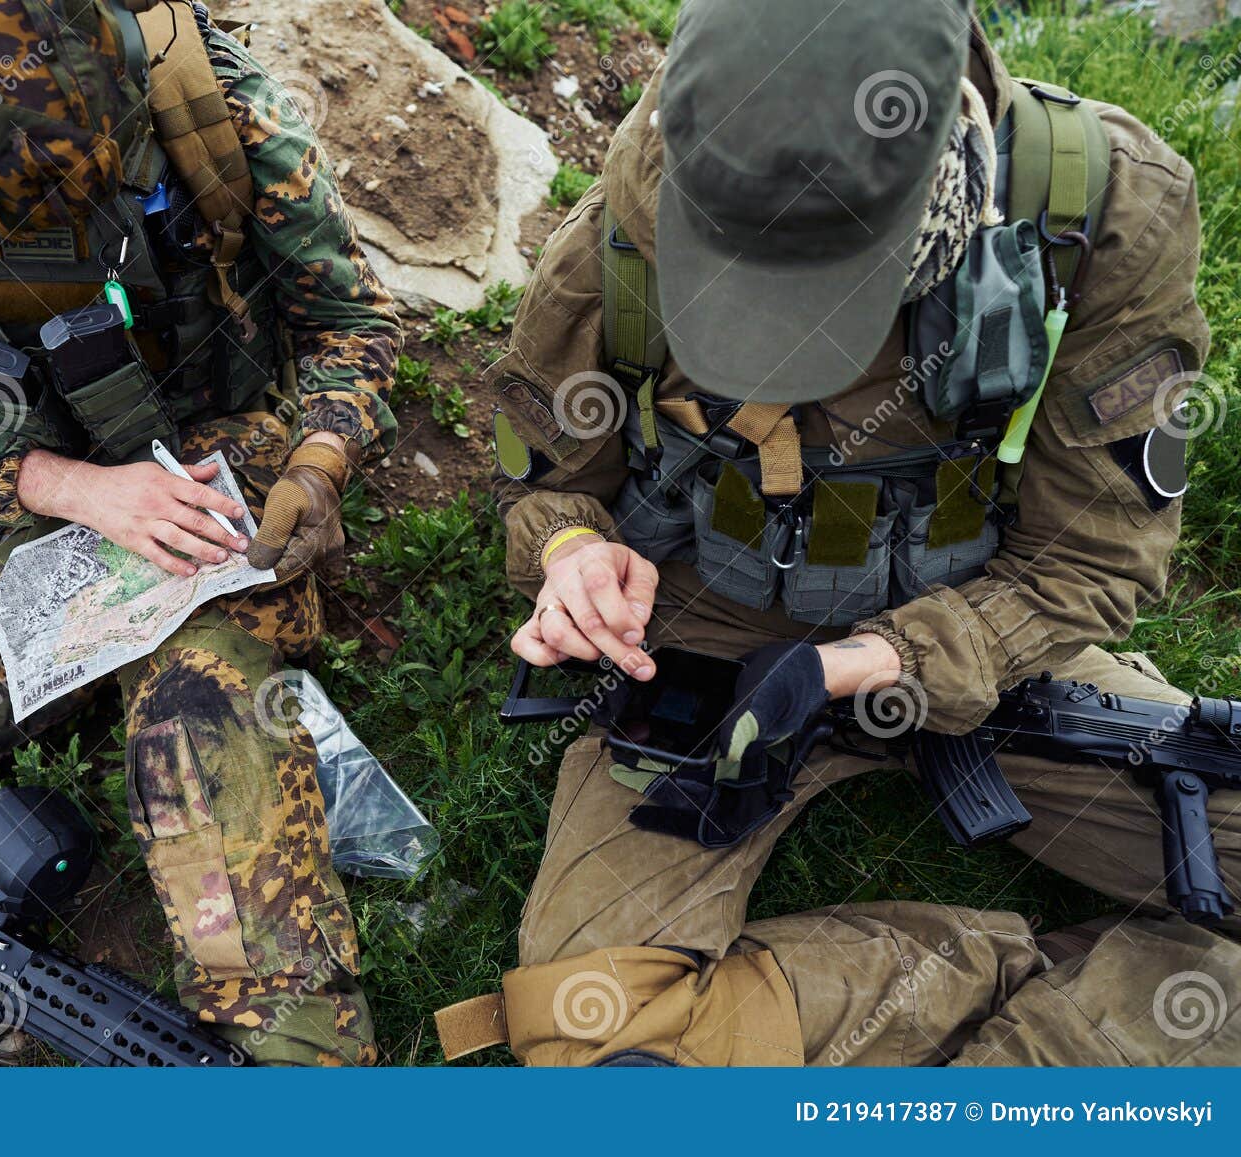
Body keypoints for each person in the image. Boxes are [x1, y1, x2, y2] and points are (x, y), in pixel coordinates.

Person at [472, 0, 1241, 1065]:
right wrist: (569, 553)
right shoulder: (632, 219)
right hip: (702, 657)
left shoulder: (1094, 215)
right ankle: (1027, 1004)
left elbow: (1092, 555)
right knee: (595, 1045)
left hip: (985, 632)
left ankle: (1126, 1002)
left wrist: (886, 659)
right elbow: (549, 476)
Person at [0, 0, 397, 1065]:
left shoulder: (208, 100)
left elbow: (351, 324)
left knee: (197, 712)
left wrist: (316, 461)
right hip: (31, 475)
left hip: (210, 444)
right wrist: (59, 484)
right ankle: (126, 650)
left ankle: (296, 1036)